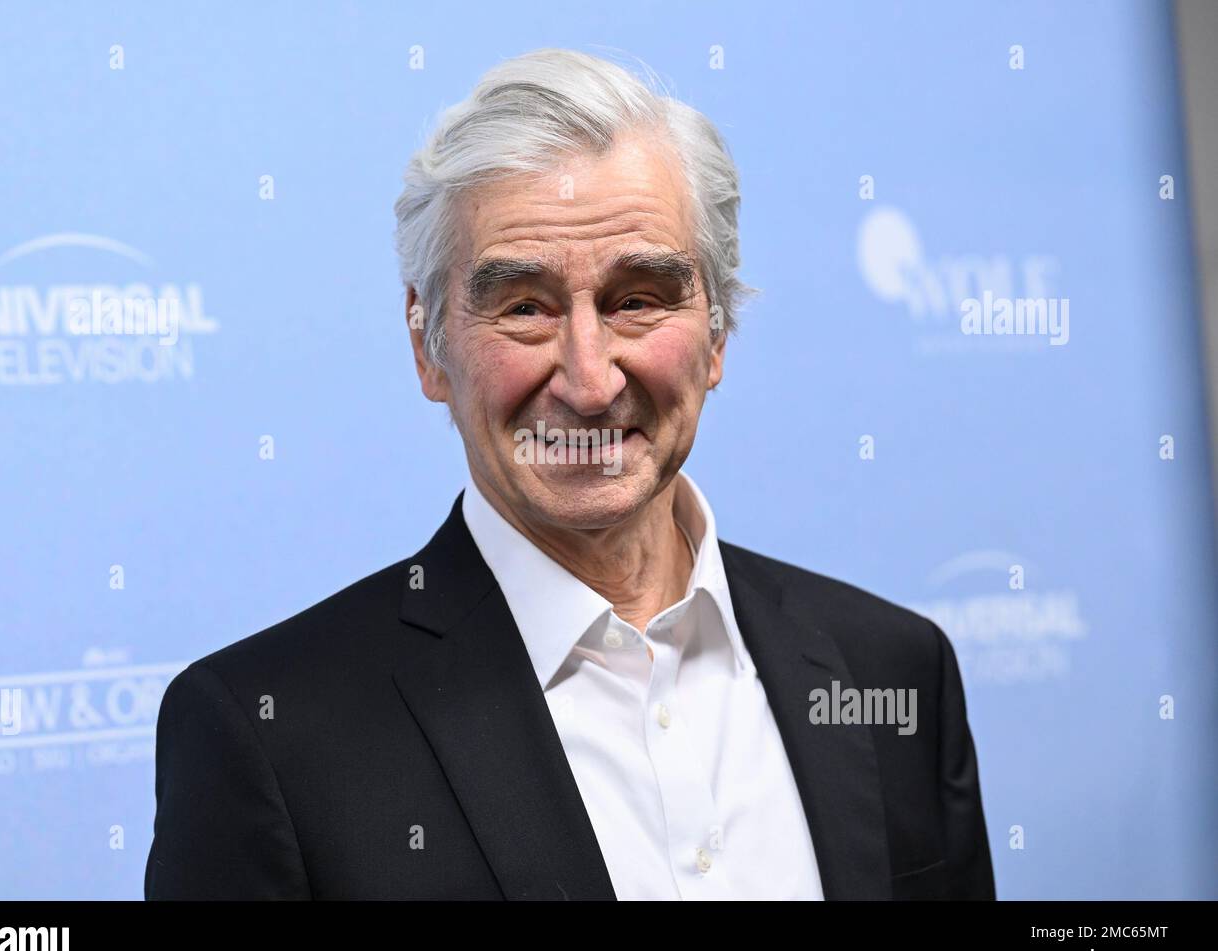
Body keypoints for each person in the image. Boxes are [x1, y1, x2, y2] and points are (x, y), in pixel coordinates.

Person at [145, 48, 994, 900]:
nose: (590, 382)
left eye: (637, 299)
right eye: (524, 308)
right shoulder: (268, 737)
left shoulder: (892, 670)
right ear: (427, 346)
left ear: (718, 336)